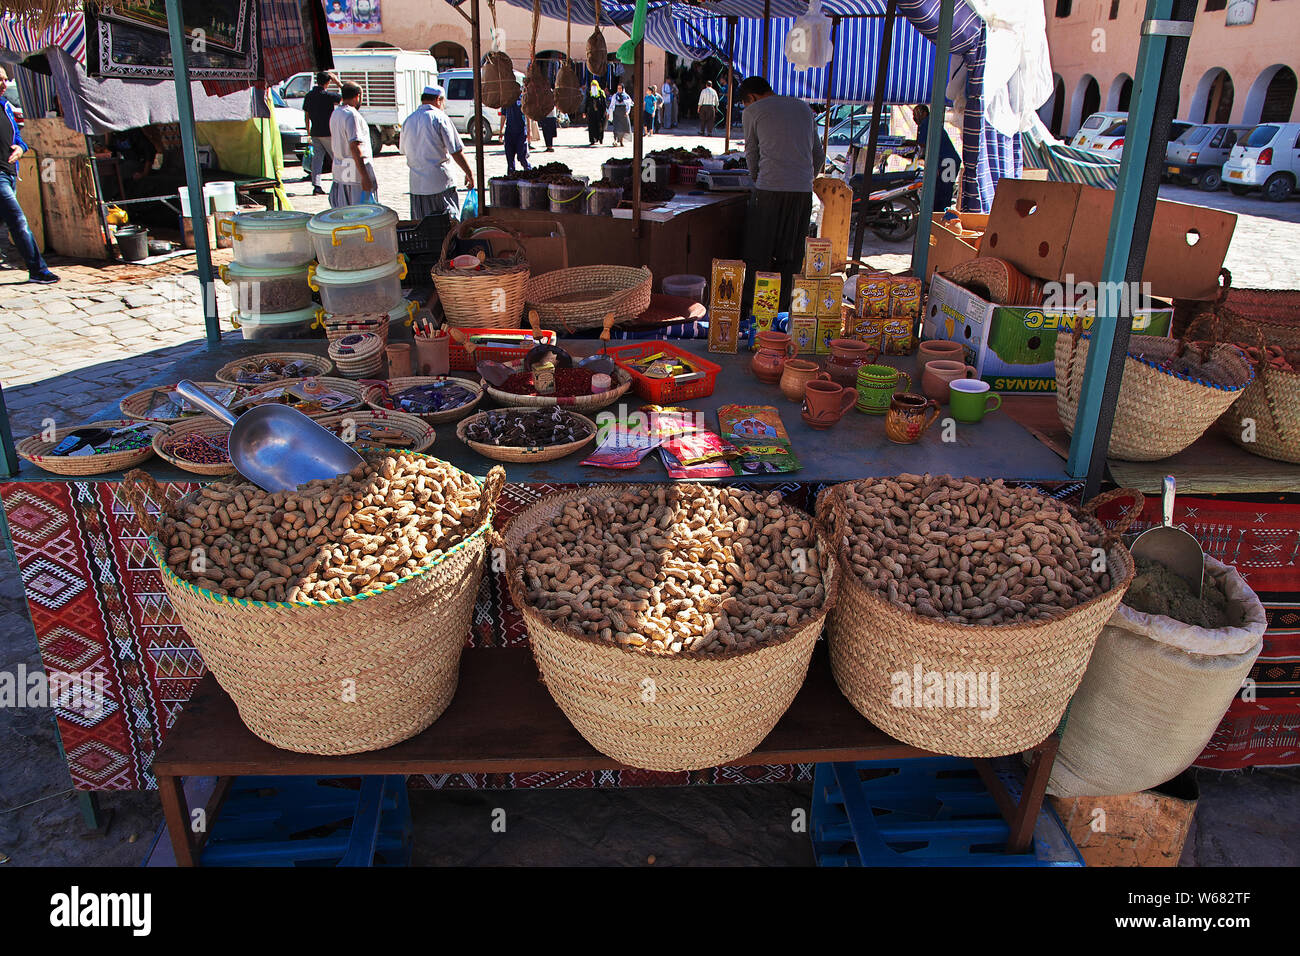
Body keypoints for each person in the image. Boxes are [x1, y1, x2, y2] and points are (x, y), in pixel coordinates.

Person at [737, 76, 823, 311]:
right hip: (802, 192)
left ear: (751, 98)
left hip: (769, 191)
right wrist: (803, 179)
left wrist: (759, 179)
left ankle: (754, 312)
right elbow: (818, 155)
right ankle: (784, 312)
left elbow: (752, 153)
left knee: (758, 254)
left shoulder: (753, 111)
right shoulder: (804, 108)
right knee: (791, 256)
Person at [0, 68, 56, 283]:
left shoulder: (5, 106)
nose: (4, 84)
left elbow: (19, 138)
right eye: (0, 80)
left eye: (5, 79)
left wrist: (21, 149)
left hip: (10, 173)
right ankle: (38, 270)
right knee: (18, 221)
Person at [399, 85, 474, 221]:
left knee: (423, 227)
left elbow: (403, 150)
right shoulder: (440, 118)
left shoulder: (408, 120)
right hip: (440, 183)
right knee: (447, 225)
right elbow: (455, 150)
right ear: (439, 100)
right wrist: (469, 174)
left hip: (417, 186)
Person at [329, 81, 377, 206]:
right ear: (357, 96)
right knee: (359, 213)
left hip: (342, 171)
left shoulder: (336, 113)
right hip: (354, 174)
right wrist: (365, 176)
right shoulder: (352, 115)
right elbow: (355, 146)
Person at [908, 103, 962, 213]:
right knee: (940, 191)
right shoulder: (928, 123)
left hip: (948, 161)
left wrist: (907, 144)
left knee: (944, 191)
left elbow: (922, 144)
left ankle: (941, 217)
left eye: (916, 114)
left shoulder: (926, 123)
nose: (914, 118)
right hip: (947, 161)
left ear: (924, 113)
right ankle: (938, 215)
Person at [302, 71, 341, 195]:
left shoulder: (309, 96)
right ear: (328, 82)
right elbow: (347, 95)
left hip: (315, 132)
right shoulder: (328, 96)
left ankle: (316, 185)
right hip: (328, 132)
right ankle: (339, 183)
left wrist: (308, 132)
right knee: (336, 158)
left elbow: (306, 115)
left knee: (317, 159)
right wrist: (338, 82)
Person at [502, 96, 530, 175]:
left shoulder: (521, 99)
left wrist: (529, 130)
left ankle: (528, 170)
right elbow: (503, 115)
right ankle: (511, 175)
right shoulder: (506, 100)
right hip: (509, 131)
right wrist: (501, 131)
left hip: (520, 130)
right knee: (510, 157)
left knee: (521, 155)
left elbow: (527, 114)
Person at [584, 80, 607, 145]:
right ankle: (592, 140)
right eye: (592, 85)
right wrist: (585, 112)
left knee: (600, 126)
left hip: (599, 113)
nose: (593, 87)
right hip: (591, 113)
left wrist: (605, 111)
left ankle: (600, 138)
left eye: (595, 85)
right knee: (591, 126)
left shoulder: (601, 92)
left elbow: (604, 103)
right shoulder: (589, 93)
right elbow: (586, 103)